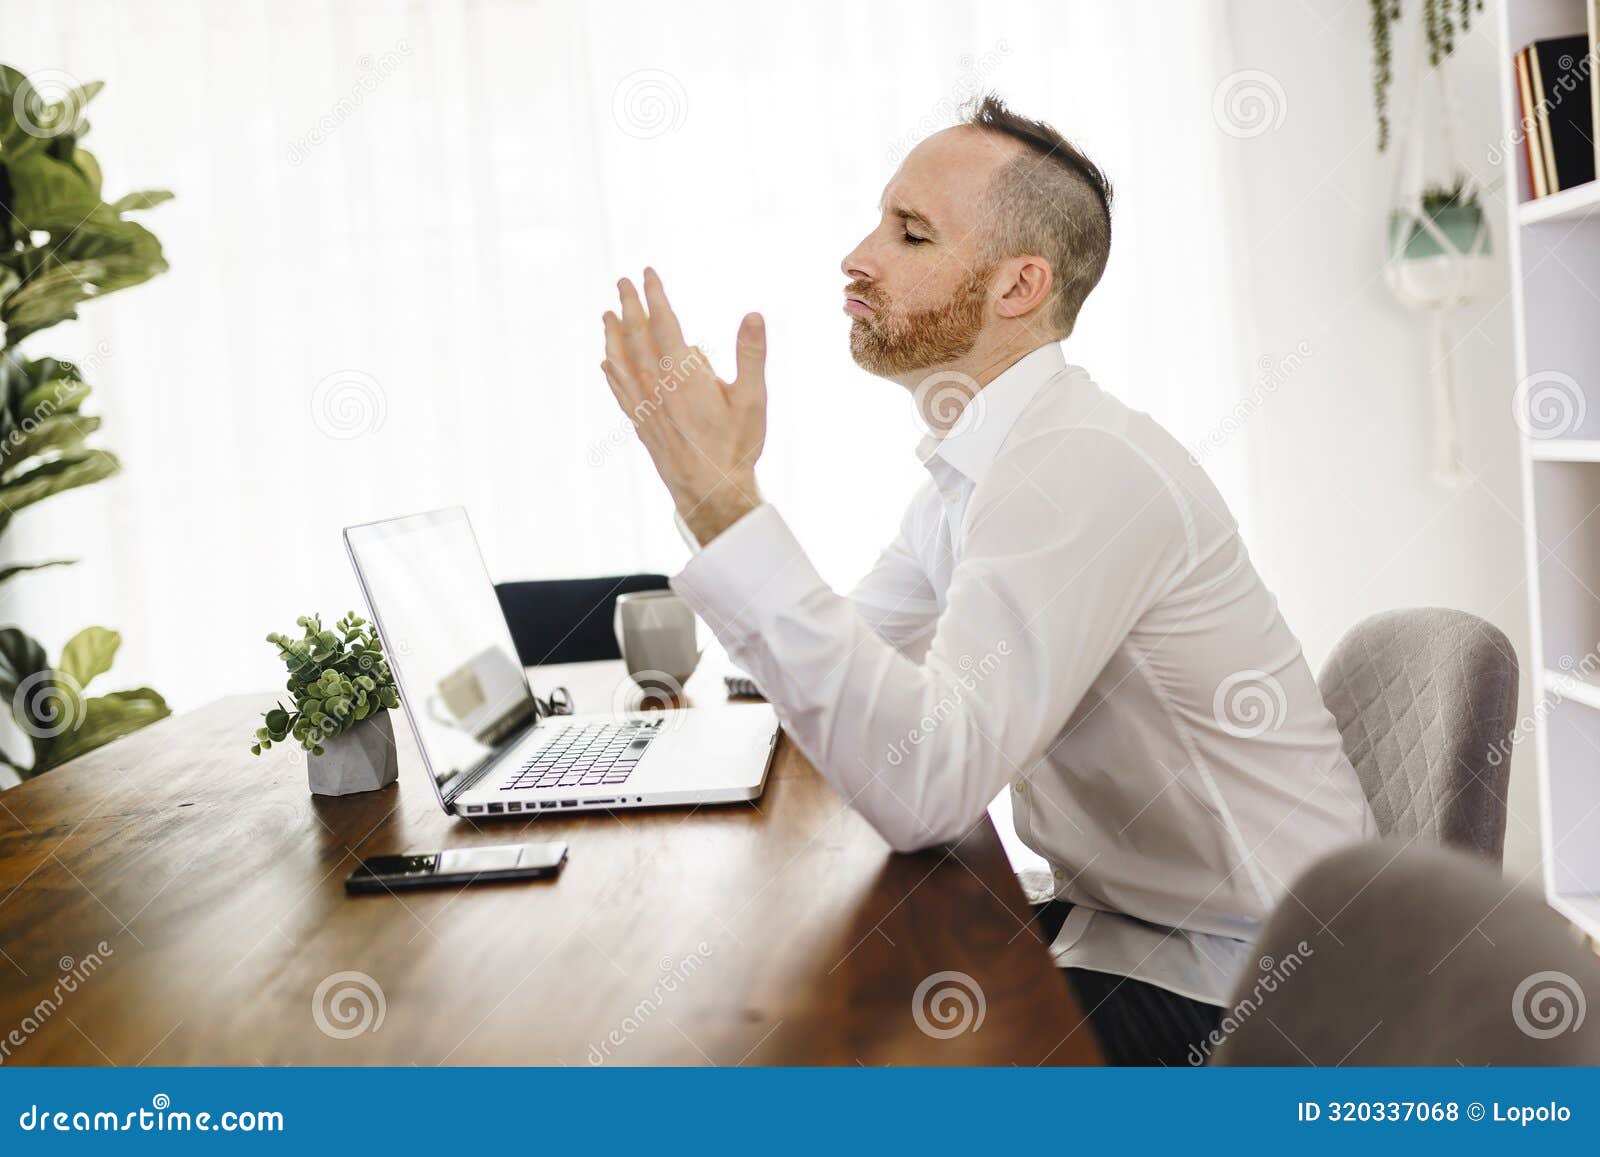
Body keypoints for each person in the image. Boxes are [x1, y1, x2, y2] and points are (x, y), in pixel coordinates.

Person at [597, 94, 1375, 1066]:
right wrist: (717, 495)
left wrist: (724, 503)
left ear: (1017, 285)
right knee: (812, 1008)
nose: (857, 254)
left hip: (1256, 993)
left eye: (909, 232)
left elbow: (928, 779)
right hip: (1130, 930)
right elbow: (839, 663)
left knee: (817, 1059)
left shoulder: (1077, 468)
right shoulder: (978, 471)